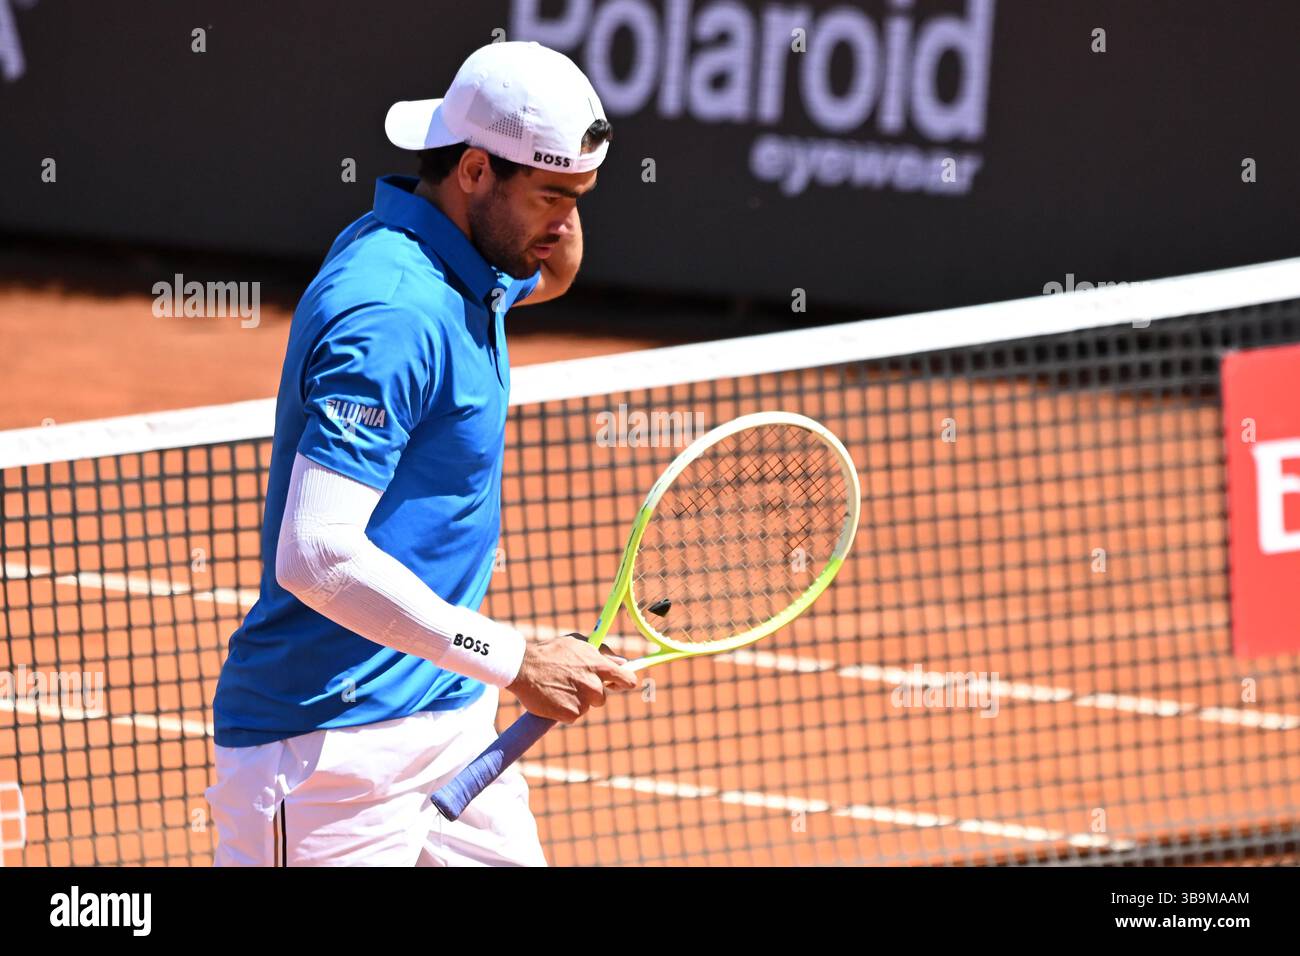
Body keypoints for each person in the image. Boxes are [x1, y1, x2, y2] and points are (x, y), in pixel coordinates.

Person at [205, 40, 636, 867]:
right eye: (552, 195)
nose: (566, 221)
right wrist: (516, 659)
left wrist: (555, 218)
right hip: (328, 758)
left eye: (580, 198)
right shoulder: (392, 311)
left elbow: (543, 273)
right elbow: (316, 554)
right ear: (474, 171)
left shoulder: (464, 261)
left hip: (451, 725)